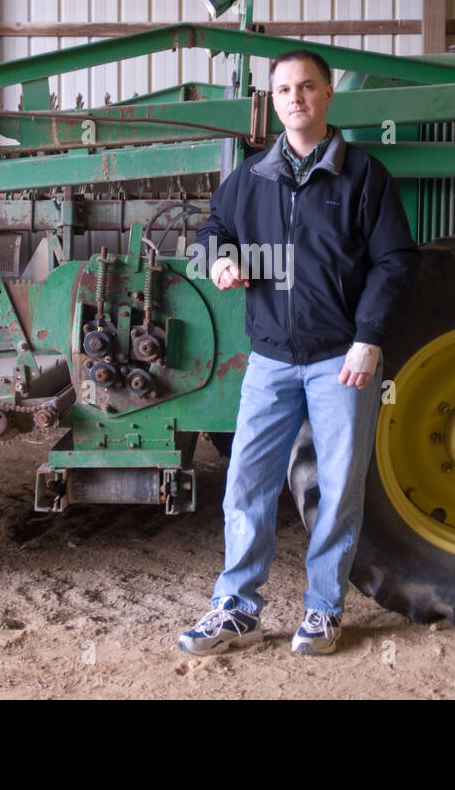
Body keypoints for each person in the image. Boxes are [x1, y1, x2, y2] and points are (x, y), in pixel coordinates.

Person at [178, 49, 418, 656]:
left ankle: (324, 609)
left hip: (343, 358)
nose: (295, 98)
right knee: (246, 483)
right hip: (271, 360)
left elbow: (394, 263)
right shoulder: (251, 176)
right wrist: (220, 258)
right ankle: (235, 608)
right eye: (284, 89)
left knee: (338, 488)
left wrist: (369, 339)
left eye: (306, 87)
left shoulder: (363, 176)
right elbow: (210, 231)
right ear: (273, 100)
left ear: (327, 95)